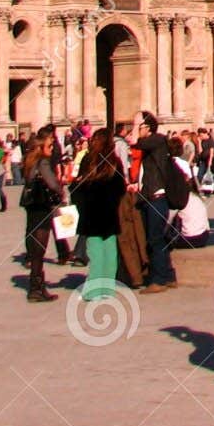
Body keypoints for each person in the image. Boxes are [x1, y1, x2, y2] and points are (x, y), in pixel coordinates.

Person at [70, 129, 126, 301]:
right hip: (109, 212)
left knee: (95, 253)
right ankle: (107, 289)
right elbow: (121, 188)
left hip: (91, 212)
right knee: (110, 252)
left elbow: (79, 188)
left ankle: (94, 290)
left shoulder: (89, 160)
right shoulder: (114, 162)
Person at [131, 111, 180, 292]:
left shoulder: (157, 139)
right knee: (157, 238)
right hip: (149, 196)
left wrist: (137, 124)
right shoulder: (152, 145)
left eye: (139, 127)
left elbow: (133, 142)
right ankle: (167, 275)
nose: (136, 130)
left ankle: (158, 280)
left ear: (148, 127)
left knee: (154, 239)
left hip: (156, 198)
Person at [20, 132, 64, 303]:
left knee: (35, 249)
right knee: (40, 248)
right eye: (49, 146)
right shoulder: (43, 162)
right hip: (42, 206)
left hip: (31, 206)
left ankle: (36, 286)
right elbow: (52, 183)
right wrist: (61, 191)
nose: (52, 150)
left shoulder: (29, 161)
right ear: (40, 148)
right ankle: (36, 288)